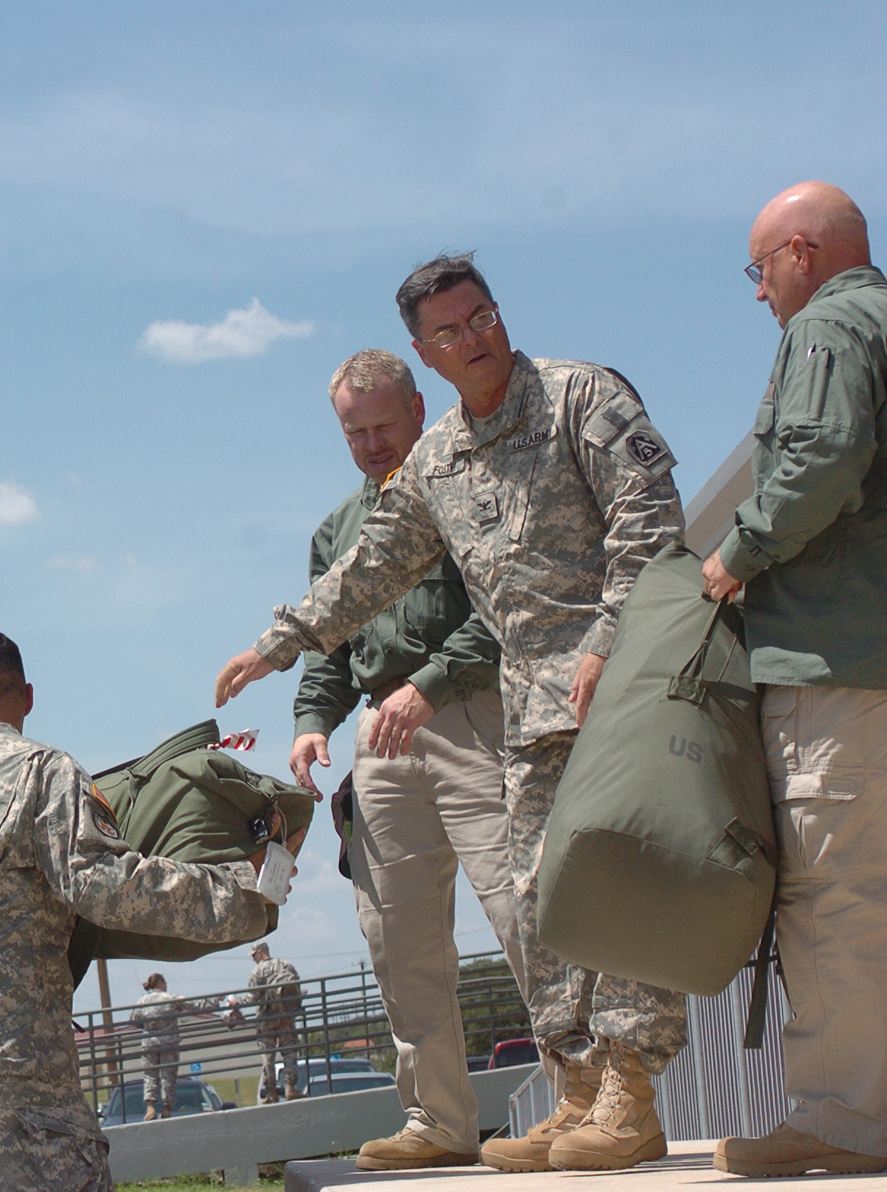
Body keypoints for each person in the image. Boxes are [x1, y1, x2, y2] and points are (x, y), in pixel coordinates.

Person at [214, 254, 689, 1173]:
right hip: (530, 712)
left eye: (480, 316)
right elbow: (372, 562)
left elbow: (648, 515)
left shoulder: (577, 396)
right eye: (447, 331)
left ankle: (629, 1093)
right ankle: (581, 1093)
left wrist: (608, 641)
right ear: (425, 352)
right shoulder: (438, 461)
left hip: (616, 688)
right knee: (548, 903)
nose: (472, 339)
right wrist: (278, 645)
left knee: (617, 890)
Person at [0, 629, 293, 1191]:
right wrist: (243, 889)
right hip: (6, 1059)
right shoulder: (42, 773)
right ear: (29, 697)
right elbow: (107, 887)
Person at [290, 349, 527, 1170]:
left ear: (421, 410)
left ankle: (582, 1100)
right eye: (354, 431)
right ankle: (437, 1121)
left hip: (475, 710)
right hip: (379, 737)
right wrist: (313, 720)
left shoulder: (469, 490)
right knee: (398, 936)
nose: (371, 443)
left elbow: (507, 603)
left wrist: (429, 683)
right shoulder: (334, 532)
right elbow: (326, 641)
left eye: (384, 423)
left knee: (523, 908)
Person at [704, 182, 887, 1179]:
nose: (761, 291)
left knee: (837, 895)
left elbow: (819, 452)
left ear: (803, 254)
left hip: (834, 666)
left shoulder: (829, 324)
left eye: (760, 267)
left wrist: (736, 552)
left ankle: (849, 1117)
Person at [224, 941, 302, 1103]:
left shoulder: (257, 971)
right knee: (289, 1052)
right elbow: (297, 987)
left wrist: (236, 1003)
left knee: (268, 1056)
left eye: (254, 955)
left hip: (266, 1018)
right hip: (286, 1016)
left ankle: (271, 1091)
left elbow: (252, 997)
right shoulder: (286, 965)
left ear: (260, 953)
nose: (253, 959)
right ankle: (290, 1087)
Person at [130, 973, 216, 1121]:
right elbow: (193, 1005)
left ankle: (150, 1107)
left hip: (149, 1042)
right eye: (165, 982)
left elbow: (134, 1020)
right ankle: (166, 1108)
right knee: (168, 1075)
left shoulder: (142, 1001)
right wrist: (214, 1001)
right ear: (160, 982)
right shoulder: (170, 998)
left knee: (150, 1075)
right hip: (168, 1042)